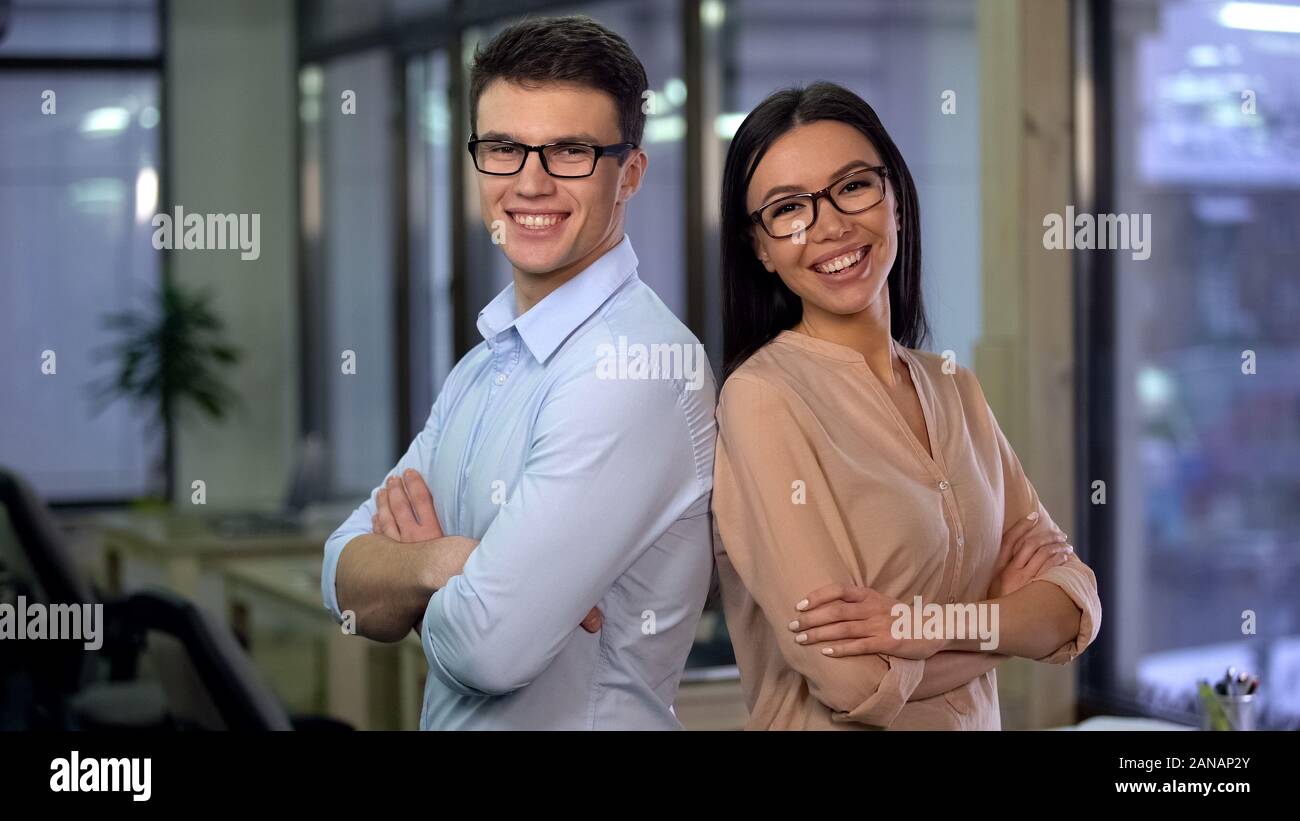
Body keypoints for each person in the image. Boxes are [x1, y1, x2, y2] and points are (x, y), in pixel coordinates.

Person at [321, 16, 715, 730]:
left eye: (569, 151)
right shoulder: (483, 365)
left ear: (629, 172)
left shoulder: (635, 369)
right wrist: (444, 561)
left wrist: (411, 581)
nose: (529, 183)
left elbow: (486, 650)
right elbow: (342, 582)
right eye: (503, 148)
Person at [712, 81, 1102, 730]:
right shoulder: (762, 399)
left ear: (896, 197)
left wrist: (921, 625)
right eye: (788, 208)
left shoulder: (955, 387)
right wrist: (1006, 628)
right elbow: (850, 677)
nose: (831, 224)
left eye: (854, 186)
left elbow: (1076, 604)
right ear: (761, 248)